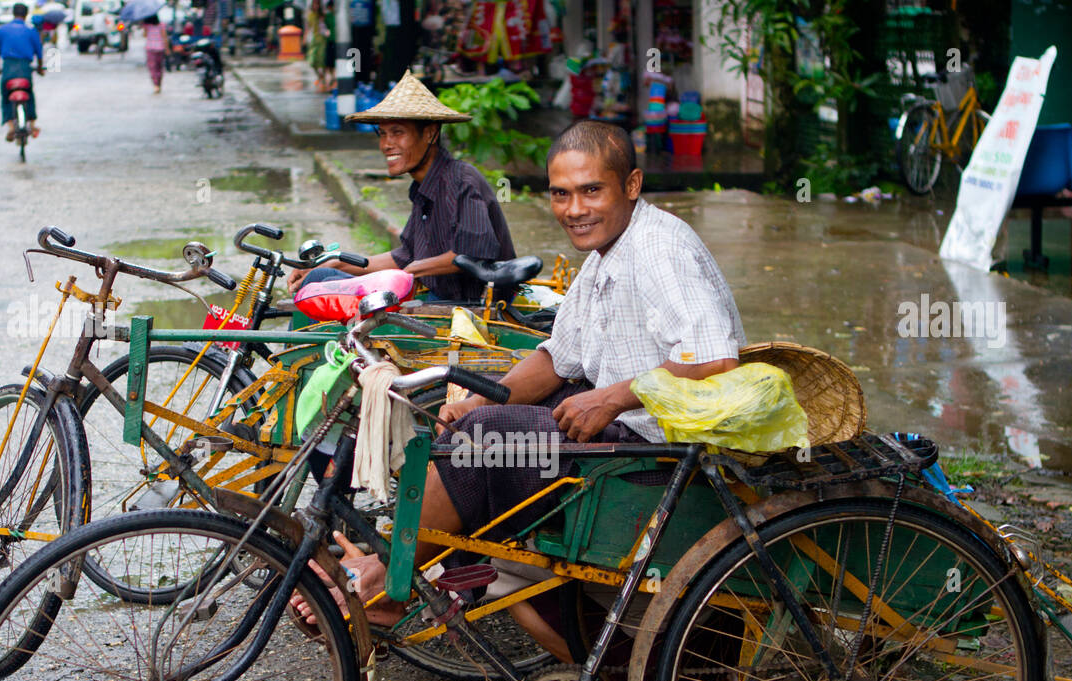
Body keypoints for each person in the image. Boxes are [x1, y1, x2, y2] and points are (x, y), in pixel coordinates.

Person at [297, 121, 746, 652]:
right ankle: (407, 576)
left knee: (487, 439)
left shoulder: (659, 249)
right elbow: (557, 358)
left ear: (631, 185)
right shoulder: (609, 253)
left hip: (659, 457)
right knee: (470, 423)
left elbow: (715, 361)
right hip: (619, 443)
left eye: (591, 191)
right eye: (561, 194)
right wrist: (482, 394)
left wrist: (612, 395)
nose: (574, 209)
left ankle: (385, 580)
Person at [287, 70, 515, 303]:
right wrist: (334, 262)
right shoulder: (422, 188)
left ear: (430, 133)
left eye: (398, 133)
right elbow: (403, 257)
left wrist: (411, 271)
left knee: (331, 294)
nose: (386, 144)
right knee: (321, 277)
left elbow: (472, 254)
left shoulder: (462, 180)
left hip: (465, 305)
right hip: (436, 297)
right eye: (383, 134)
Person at [0, 2, 44, 141]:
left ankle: (10, 126)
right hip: (25, 69)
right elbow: (39, 53)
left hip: (8, 69)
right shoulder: (31, 31)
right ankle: (32, 124)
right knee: (30, 94)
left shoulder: (2, 30)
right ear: (26, 15)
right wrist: (40, 68)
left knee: (5, 95)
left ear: (13, 14)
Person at [141, 13, 165, 93]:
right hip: (160, 47)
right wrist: (167, 48)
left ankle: (156, 85)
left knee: (152, 67)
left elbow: (144, 35)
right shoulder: (161, 25)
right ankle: (158, 83)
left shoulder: (147, 26)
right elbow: (164, 37)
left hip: (150, 48)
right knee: (159, 67)